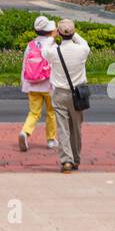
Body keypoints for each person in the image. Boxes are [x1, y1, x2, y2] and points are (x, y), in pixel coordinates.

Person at [39, 17, 91, 173]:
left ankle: (66, 161)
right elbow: (84, 43)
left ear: (59, 33)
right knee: (76, 128)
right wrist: (73, 33)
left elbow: (44, 50)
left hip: (60, 94)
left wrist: (52, 36)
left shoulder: (54, 51)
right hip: (78, 94)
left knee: (62, 129)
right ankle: (76, 159)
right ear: (73, 32)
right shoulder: (82, 50)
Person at [18, 15, 59, 152]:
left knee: (34, 113)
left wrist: (25, 84)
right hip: (49, 85)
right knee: (51, 113)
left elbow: (24, 66)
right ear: (50, 30)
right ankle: (51, 140)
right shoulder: (53, 45)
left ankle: (25, 132)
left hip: (33, 84)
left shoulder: (30, 45)